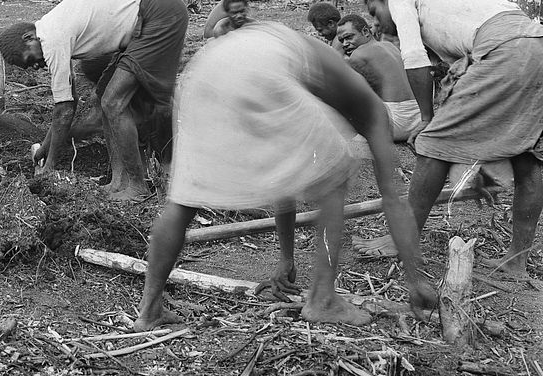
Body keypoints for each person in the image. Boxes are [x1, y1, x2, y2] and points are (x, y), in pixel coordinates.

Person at [133, 21, 437, 331]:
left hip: (204, 71)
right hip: (261, 67)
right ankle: (323, 299)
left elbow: (285, 178)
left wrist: (287, 260)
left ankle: (149, 310)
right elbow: (393, 197)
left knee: (185, 199)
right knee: (339, 172)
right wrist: (415, 279)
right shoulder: (372, 107)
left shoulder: (317, 75)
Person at [353, 0, 543, 278]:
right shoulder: (449, 1)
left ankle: (405, 239)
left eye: (374, 12)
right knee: (526, 156)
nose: (375, 24)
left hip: (505, 47)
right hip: (535, 43)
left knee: (431, 145)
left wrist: (428, 121)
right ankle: (517, 260)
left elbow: (415, 60)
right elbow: (463, 78)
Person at [0, 0, 188, 202]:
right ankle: (118, 182)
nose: (37, 66)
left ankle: (137, 187)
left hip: (159, 14)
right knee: (104, 98)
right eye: (31, 66)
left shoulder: (52, 39)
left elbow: (65, 111)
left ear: (29, 37)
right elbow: (69, 103)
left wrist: (48, 168)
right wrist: (45, 147)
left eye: (31, 59)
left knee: (113, 102)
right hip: (143, 21)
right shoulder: (53, 31)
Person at [335, 14, 421, 142]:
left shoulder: (358, 54)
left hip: (396, 125)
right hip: (419, 119)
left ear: (365, 31)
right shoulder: (390, 46)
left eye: (349, 37)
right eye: (341, 40)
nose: (345, 44)